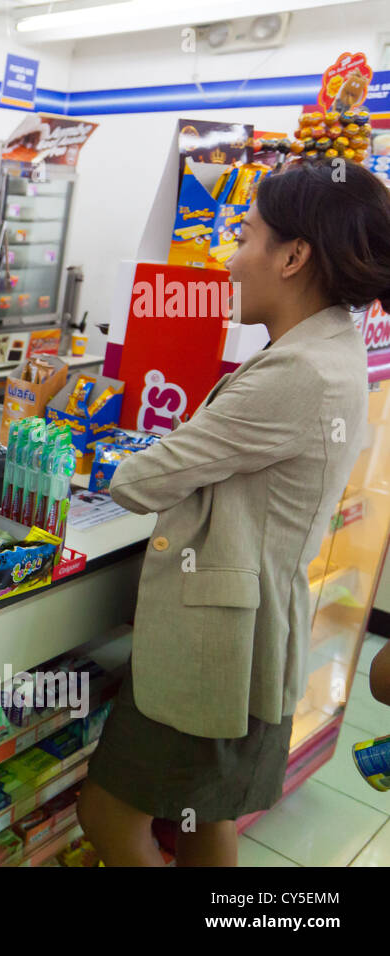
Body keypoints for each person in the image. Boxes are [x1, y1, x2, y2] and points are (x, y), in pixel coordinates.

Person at [78, 160, 390, 866]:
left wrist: (101, 458)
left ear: (293, 256)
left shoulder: (300, 372)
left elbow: (140, 479)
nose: (229, 256)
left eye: (245, 236)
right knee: (199, 821)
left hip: (214, 653)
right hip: (252, 639)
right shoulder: (330, 345)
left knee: (109, 815)